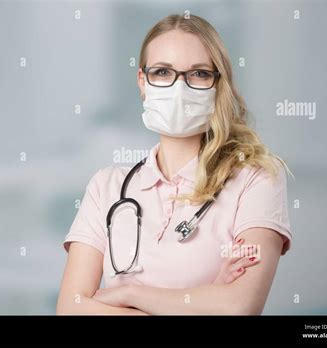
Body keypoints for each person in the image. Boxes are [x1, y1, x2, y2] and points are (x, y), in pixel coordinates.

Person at [57, 13, 293, 315]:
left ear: (217, 84)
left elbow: (239, 307)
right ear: (142, 82)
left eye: (198, 74)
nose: (179, 88)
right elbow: (70, 308)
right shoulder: (106, 187)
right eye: (163, 72)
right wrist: (203, 302)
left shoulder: (256, 179)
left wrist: (130, 293)